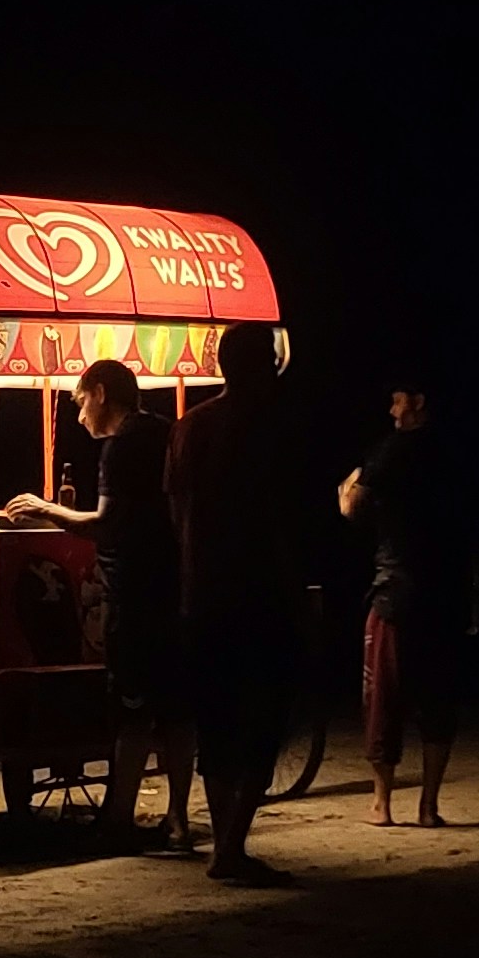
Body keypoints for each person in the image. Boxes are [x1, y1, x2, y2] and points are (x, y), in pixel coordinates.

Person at [6, 359, 195, 850]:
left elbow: (106, 523)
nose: (78, 415)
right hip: (179, 587)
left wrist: (46, 509)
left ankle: (119, 819)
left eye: (78, 400)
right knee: (176, 709)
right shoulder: (165, 431)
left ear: (101, 392)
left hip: (135, 592)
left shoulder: (122, 446)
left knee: (131, 708)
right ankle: (178, 818)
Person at [167, 322, 303, 883]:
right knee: (265, 720)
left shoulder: (190, 426)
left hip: (202, 593)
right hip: (263, 593)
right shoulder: (276, 427)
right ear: (265, 365)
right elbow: (288, 521)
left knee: (216, 722)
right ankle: (230, 846)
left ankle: (227, 843)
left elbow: (175, 509)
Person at [340, 376, 475, 826]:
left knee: (383, 698)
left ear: (418, 401)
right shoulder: (459, 452)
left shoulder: (392, 451)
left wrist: (345, 493)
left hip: (397, 590)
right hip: (448, 590)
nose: (392, 411)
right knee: (438, 697)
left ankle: (382, 803)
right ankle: (429, 805)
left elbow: (354, 505)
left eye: (398, 400)